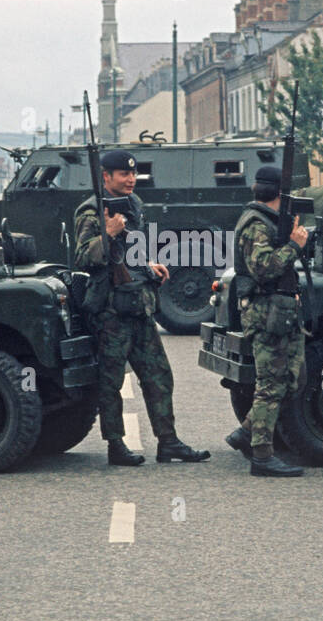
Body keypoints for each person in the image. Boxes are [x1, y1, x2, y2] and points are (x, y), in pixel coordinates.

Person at [74, 149, 209, 466]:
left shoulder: (134, 205)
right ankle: (116, 446)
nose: (131, 179)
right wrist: (106, 234)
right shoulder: (92, 211)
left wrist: (150, 265)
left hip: (139, 305)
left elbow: (132, 249)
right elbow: (82, 258)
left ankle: (168, 442)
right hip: (111, 310)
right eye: (124, 174)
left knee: (159, 375)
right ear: (106, 177)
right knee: (111, 382)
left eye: (133, 174)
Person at [224, 165, 308, 477]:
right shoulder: (256, 225)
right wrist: (294, 246)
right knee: (271, 384)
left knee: (292, 380)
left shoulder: (269, 221)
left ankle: (247, 431)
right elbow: (264, 268)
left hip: (279, 310)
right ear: (280, 194)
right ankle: (261, 455)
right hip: (265, 312)